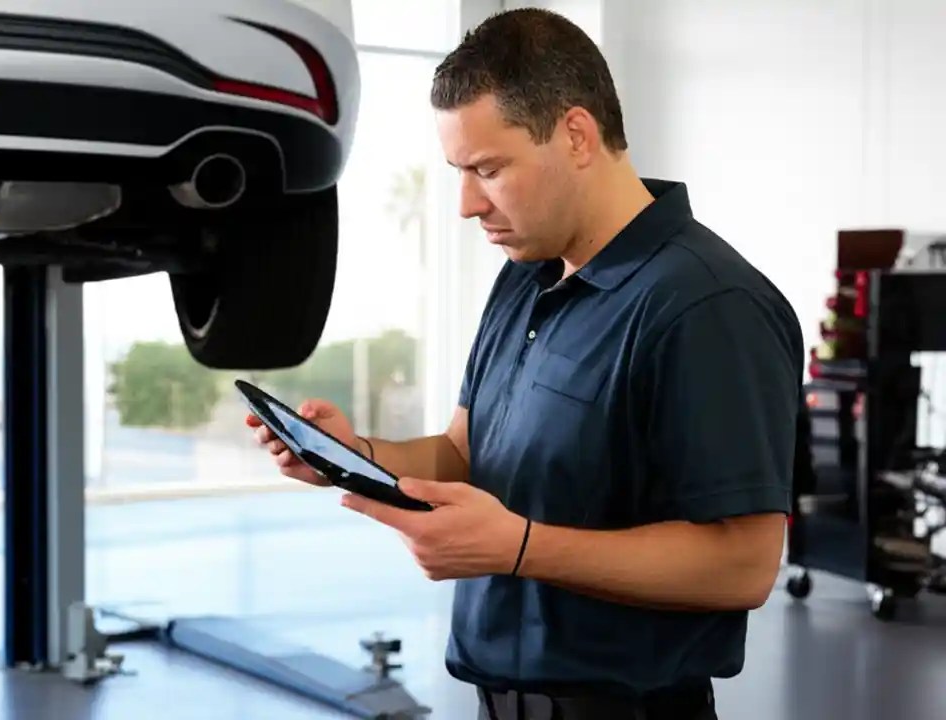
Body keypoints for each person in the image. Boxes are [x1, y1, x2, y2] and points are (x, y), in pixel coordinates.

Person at [247, 8, 803, 720]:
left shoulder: (707, 304)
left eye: (488, 169)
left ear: (576, 135)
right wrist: (357, 453)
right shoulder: (525, 276)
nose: (467, 204)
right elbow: (463, 450)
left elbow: (744, 565)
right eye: (460, 171)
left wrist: (520, 548)